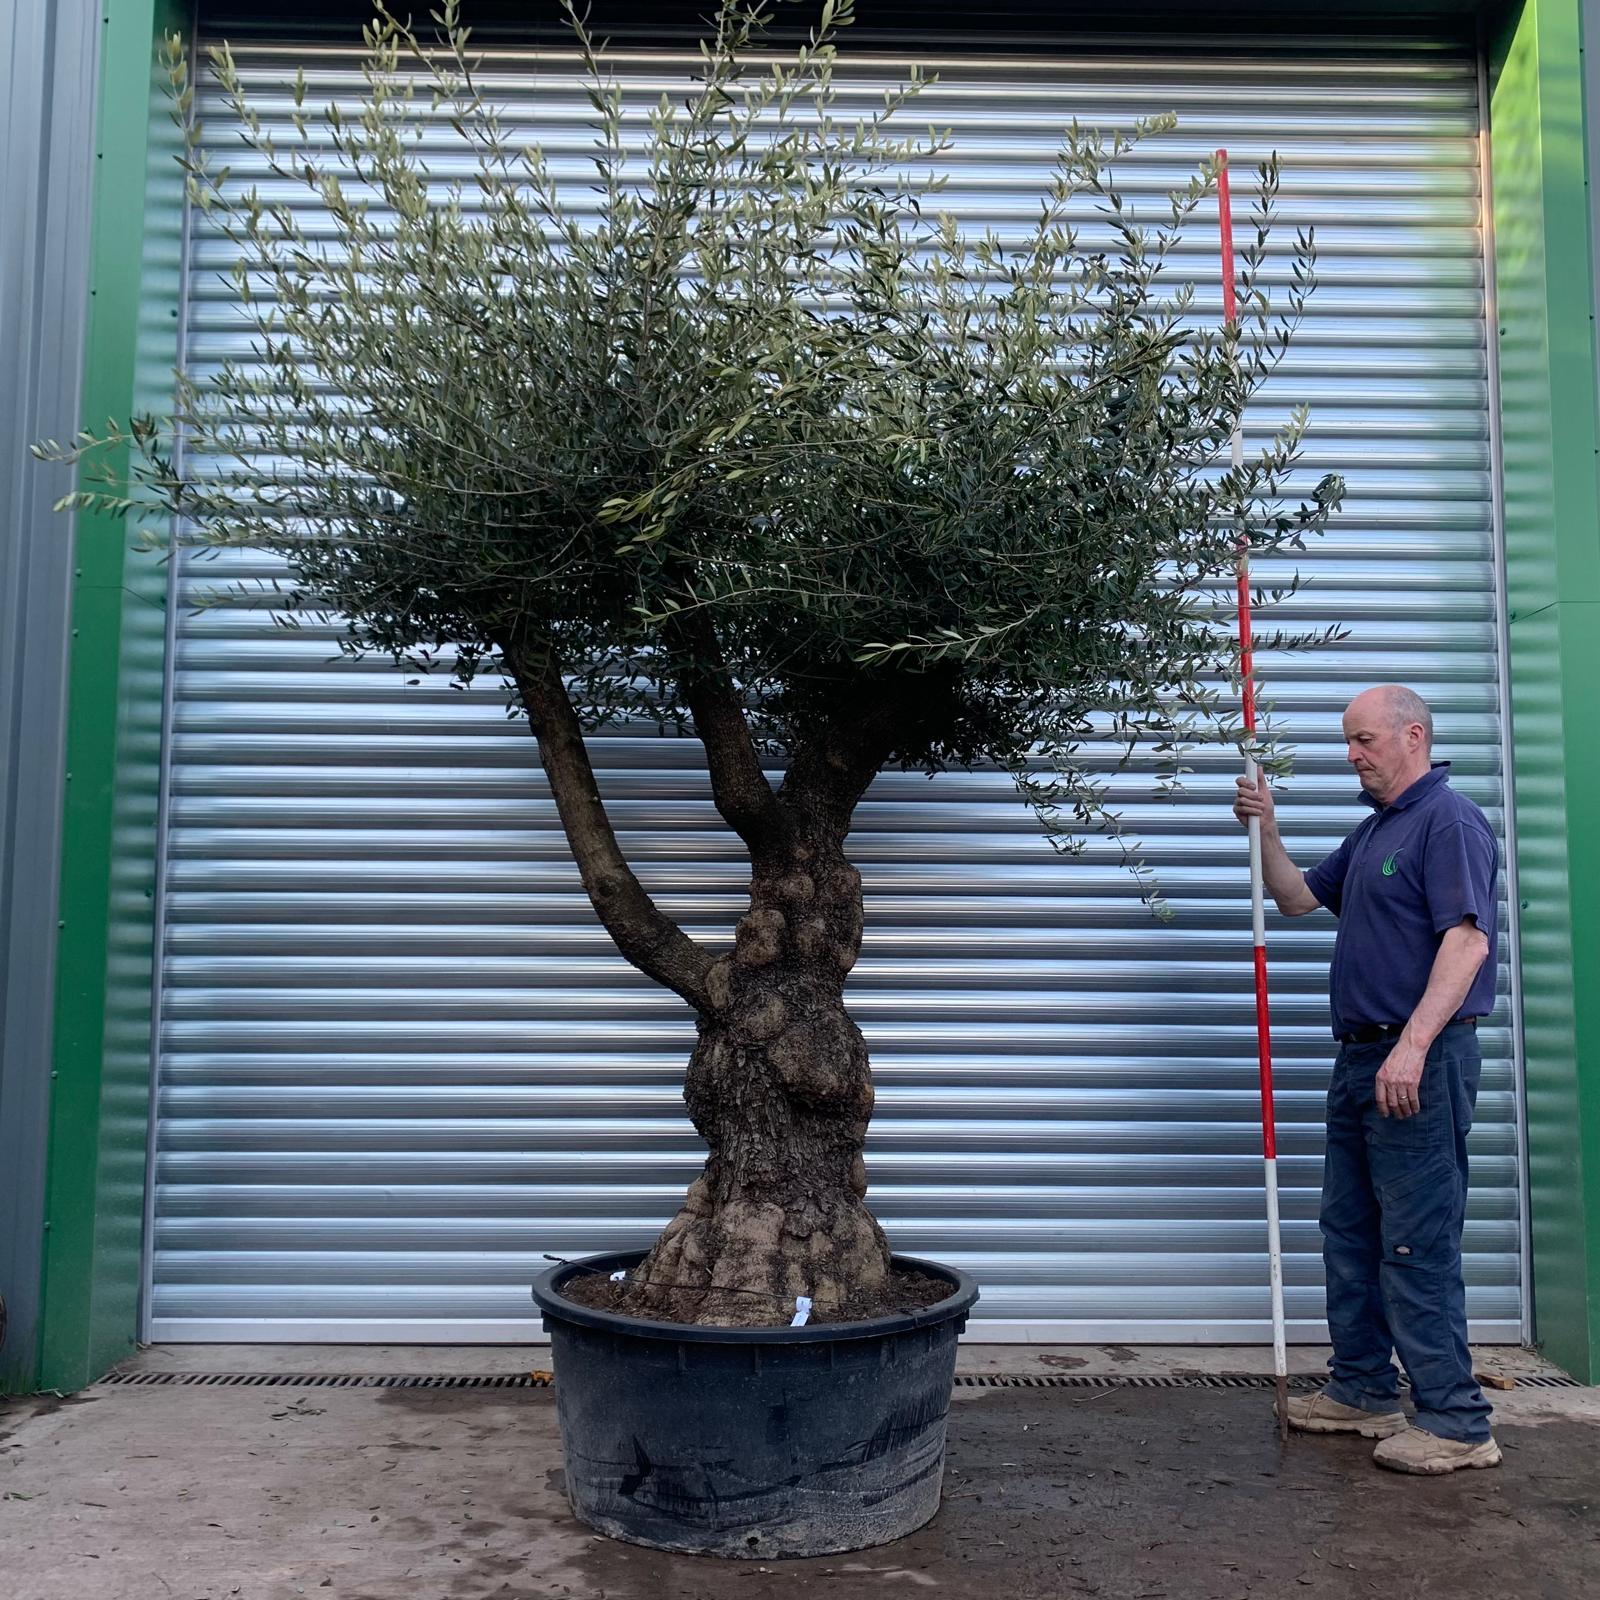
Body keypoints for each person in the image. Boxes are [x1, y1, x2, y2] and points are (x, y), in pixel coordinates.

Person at [1233, 683, 1501, 1474]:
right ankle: (1362, 1389)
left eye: (1363, 740)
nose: (1351, 755)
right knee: (1349, 1230)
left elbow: (1468, 943)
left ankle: (1457, 1422)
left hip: (1418, 1060)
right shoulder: (1377, 830)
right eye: (1348, 742)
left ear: (1412, 736)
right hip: (1361, 1060)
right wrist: (1266, 826)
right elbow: (1293, 899)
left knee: (1416, 1241)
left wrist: (1413, 1046)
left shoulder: (1449, 822)